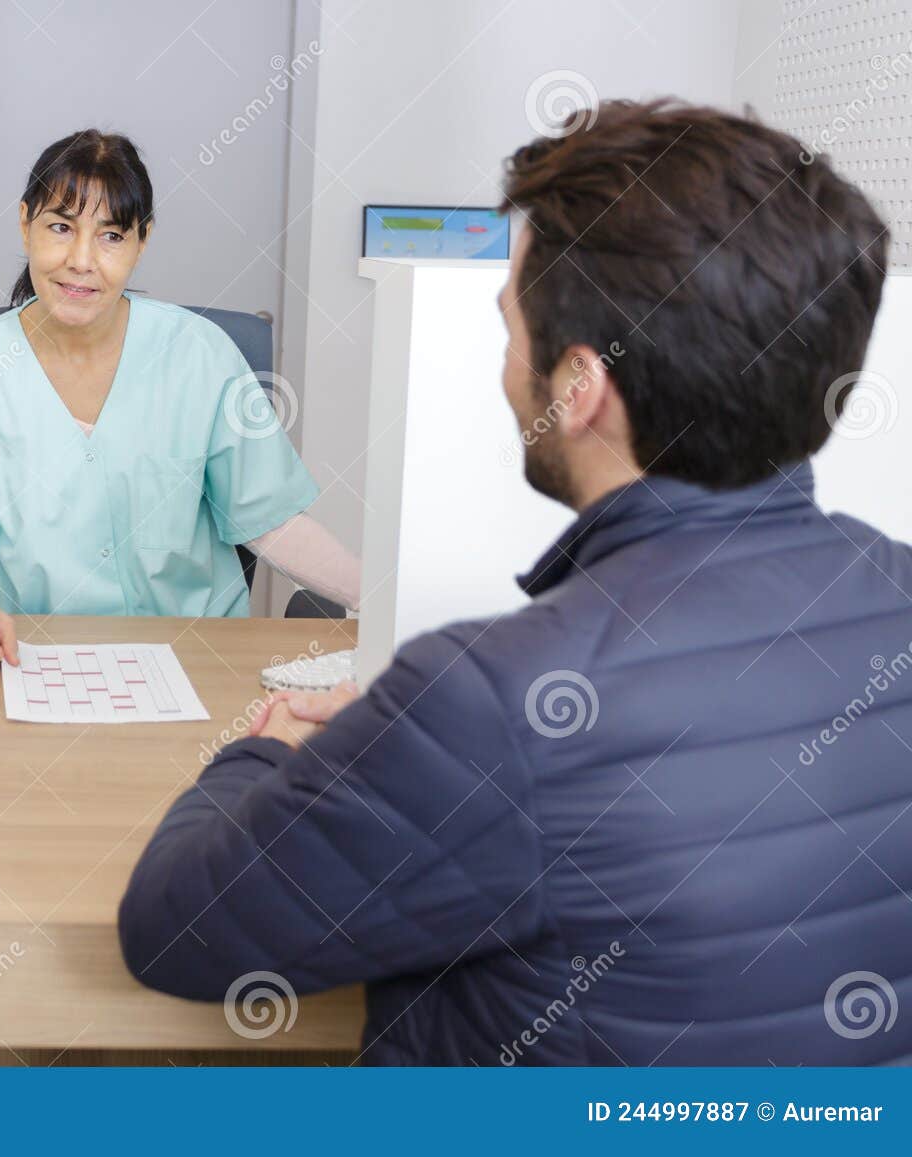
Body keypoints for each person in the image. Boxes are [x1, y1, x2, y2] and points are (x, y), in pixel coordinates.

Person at [119, 100, 912, 1065]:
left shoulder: (489, 700)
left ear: (578, 388)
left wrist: (267, 753)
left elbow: (178, 930)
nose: (506, 366)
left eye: (511, 327)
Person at [0, 130, 360, 667]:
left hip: (197, 660)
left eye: (111, 236)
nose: (82, 260)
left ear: (142, 240)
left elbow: (271, 520)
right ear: (25, 224)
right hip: (29, 661)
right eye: (61, 228)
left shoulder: (201, 357)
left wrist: (382, 600)